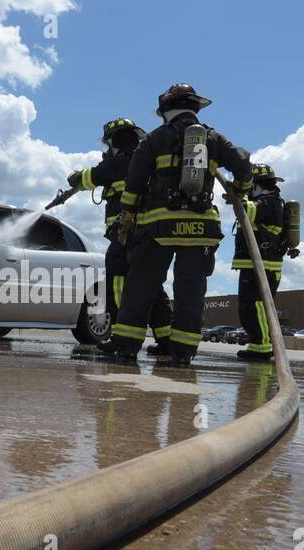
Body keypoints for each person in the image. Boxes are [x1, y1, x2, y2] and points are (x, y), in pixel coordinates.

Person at [105, 83, 253, 366]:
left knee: (141, 287)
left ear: (164, 111)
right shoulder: (213, 138)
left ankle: (125, 348)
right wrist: (240, 187)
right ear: (195, 107)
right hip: (200, 230)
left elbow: (134, 184)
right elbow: (243, 166)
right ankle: (183, 353)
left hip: (157, 227)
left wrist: (127, 216)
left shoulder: (153, 140)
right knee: (190, 292)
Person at [64, 118, 173, 354]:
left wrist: (74, 176)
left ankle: (123, 338)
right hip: (149, 234)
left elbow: (87, 177)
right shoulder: (146, 159)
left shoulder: (126, 161)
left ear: (115, 140)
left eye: (108, 144)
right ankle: (167, 341)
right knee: (152, 286)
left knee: (117, 281)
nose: (107, 149)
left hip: (126, 236)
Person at [230, 163, 296, 362]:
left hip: (262, 266)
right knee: (254, 306)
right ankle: (262, 345)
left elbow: (247, 212)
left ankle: (262, 347)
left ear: (256, 185)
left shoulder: (268, 202)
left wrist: (236, 196)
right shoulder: (272, 202)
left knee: (254, 306)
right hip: (261, 265)